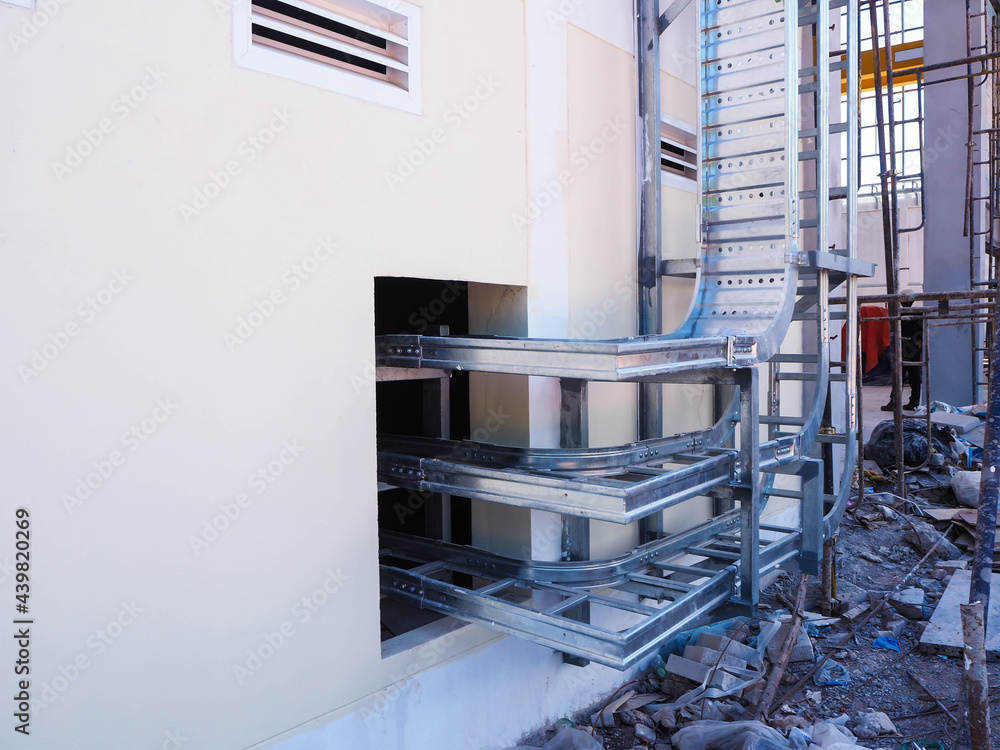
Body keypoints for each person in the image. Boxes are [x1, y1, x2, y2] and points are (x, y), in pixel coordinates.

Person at [882, 288, 923, 412]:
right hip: (913, 347)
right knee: (914, 375)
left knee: (899, 375)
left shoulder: (898, 313)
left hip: (904, 347)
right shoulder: (918, 313)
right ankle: (914, 402)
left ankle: (894, 402)